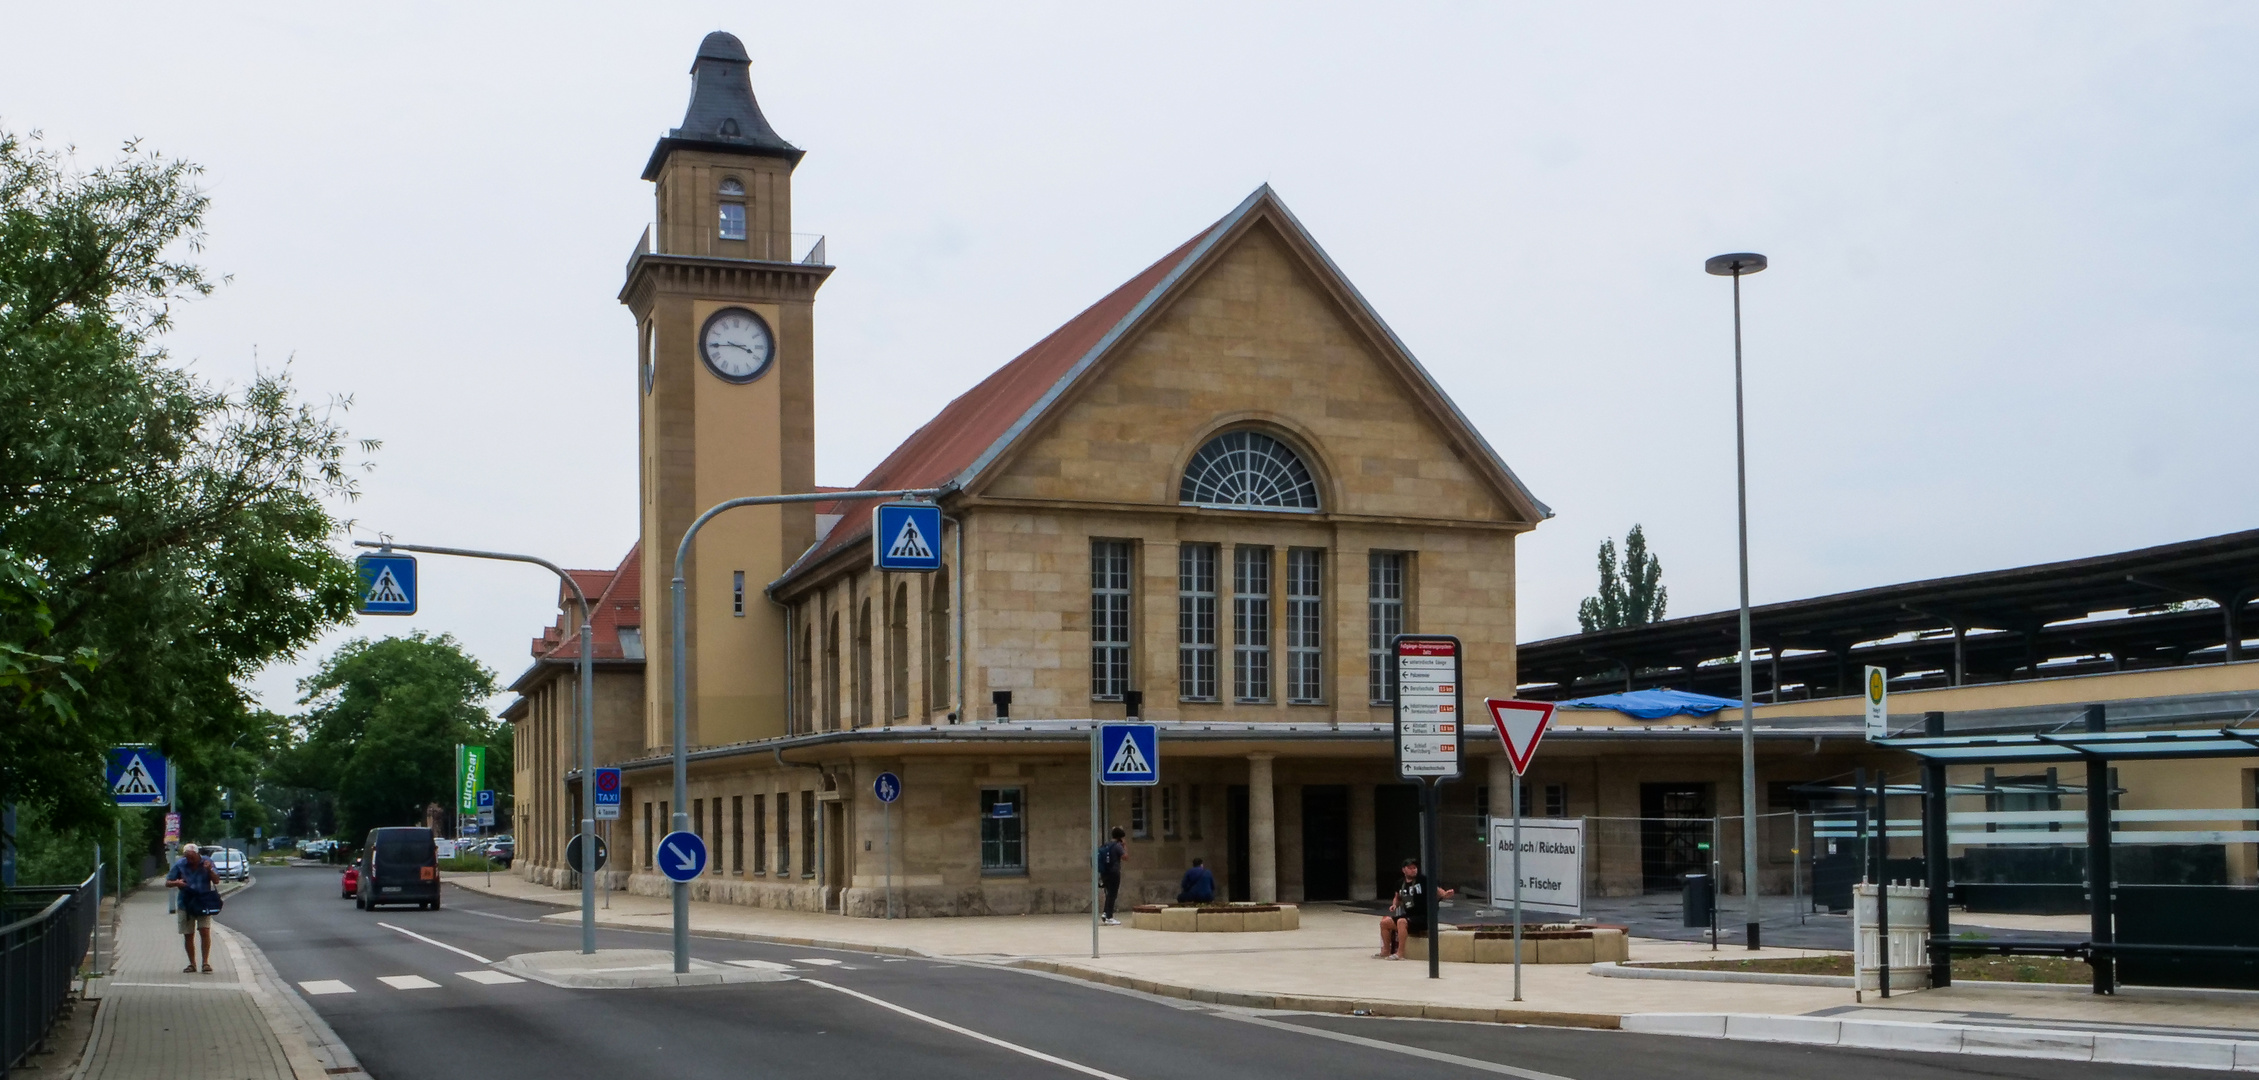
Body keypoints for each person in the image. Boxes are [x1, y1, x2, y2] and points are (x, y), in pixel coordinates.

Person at [1377, 857, 1454, 960]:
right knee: (1385, 923)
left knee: (1401, 922)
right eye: (1410, 868)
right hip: (1410, 915)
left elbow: (1438, 890)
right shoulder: (1400, 883)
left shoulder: (1423, 880)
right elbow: (1397, 897)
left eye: (1414, 867)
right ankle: (1386, 951)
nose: (1413, 870)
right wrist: (1395, 905)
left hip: (1424, 917)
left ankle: (1400, 953)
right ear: (1404, 870)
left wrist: (1445, 894)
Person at [166, 843, 218, 973]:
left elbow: (216, 881)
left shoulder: (207, 862)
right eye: (187, 858)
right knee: (188, 934)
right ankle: (192, 964)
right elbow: (167, 882)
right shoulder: (180, 864)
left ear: (197, 854)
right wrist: (176, 883)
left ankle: (205, 962)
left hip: (203, 902)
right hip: (186, 903)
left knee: (204, 931)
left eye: (192, 858)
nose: (190, 861)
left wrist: (209, 870)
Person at [1098, 826, 1127, 925]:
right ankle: (1109, 916)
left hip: (1104, 873)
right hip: (1114, 873)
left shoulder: (1106, 844)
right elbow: (1125, 857)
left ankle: (1106, 913)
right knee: (1113, 894)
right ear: (1120, 837)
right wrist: (1124, 845)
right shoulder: (1117, 846)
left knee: (1109, 894)